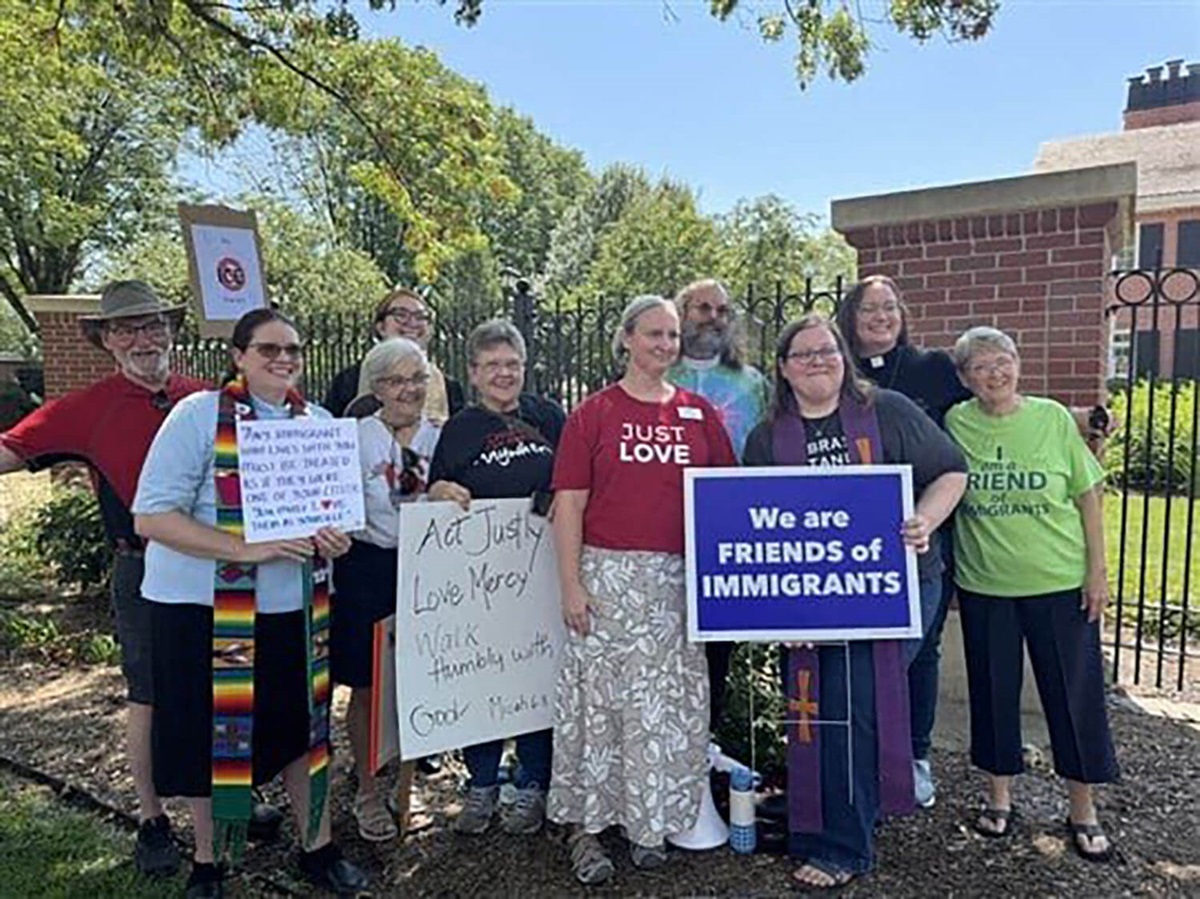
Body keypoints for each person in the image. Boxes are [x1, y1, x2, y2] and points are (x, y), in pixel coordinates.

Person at [132, 309, 369, 899]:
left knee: (302, 733)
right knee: (209, 738)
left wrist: (335, 539)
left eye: (292, 349)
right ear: (238, 355)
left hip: (292, 609)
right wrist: (244, 547)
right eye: (268, 349)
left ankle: (317, 847)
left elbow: (329, 518)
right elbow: (153, 515)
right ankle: (210, 861)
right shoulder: (196, 418)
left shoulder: (315, 423)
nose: (283, 359)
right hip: (199, 609)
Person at [742, 314, 966, 890]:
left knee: (857, 703)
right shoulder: (767, 438)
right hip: (810, 601)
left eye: (828, 352)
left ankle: (846, 846)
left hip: (899, 590)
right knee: (819, 710)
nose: (818, 361)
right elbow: (758, 525)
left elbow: (950, 472)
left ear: (844, 359)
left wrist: (925, 520)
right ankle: (824, 822)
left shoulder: (886, 410)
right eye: (804, 354)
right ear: (784, 369)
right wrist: (778, 616)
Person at [0, 280, 207, 877]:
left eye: (153, 325)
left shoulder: (205, 397)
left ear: (171, 331)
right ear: (107, 341)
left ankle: (220, 798)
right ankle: (151, 819)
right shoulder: (86, 406)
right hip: (141, 568)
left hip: (215, 564)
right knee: (147, 694)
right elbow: (12, 449)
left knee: (223, 683)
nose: (144, 338)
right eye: (127, 328)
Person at [548, 295, 736, 885]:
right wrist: (571, 585)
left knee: (665, 711)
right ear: (626, 338)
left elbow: (726, 502)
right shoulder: (593, 414)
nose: (664, 344)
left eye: (672, 335)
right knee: (598, 709)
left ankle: (648, 822)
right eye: (652, 333)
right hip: (607, 582)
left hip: (678, 587)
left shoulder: (700, 414)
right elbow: (569, 506)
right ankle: (587, 831)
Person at [946, 326, 1119, 863]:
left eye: (1003, 361)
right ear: (964, 378)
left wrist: (1098, 572)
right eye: (980, 366)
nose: (994, 373)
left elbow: (1088, 496)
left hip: (1060, 583)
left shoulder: (1049, 418)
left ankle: (1082, 808)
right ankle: (999, 798)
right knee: (993, 694)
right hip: (986, 585)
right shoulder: (956, 423)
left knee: (1073, 696)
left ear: (1018, 365)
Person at [835, 274, 972, 809]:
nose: (881, 316)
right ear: (851, 316)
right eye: (870, 308)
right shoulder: (835, 373)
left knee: (923, 649)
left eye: (890, 307)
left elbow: (992, 400)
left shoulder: (932, 369)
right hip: (853, 543)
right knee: (861, 650)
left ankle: (914, 754)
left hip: (925, 529)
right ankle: (862, 755)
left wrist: (1077, 420)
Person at [425, 319, 565, 837]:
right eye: (492, 365)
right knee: (480, 678)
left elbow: (573, 480)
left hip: (542, 572)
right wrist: (440, 491)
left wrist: (554, 504)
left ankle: (533, 784)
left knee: (534, 676)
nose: (503, 374)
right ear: (474, 374)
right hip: (478, 582)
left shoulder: (548, 416)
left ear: (524, 368)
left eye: (512, 364)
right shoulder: (459, 428)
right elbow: (439, 487)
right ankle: (480, 784)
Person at [330, 337, 442, 843]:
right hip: (366, 567)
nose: (409, 389)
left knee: (417, 680)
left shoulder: (442, 437)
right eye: (397, 380)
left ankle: (407, 785)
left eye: (417, 378)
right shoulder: (352, 438)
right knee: (368, 684)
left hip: (426, 568)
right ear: (376, 387)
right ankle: (368, 790)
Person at [669, 278, 769, 740]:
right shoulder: (660, 376)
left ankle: (707, 737)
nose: (712, 317)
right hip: (665, 525)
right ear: (681, 313)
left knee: (717, 646)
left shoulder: (752, 383)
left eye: (722, 311)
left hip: (731, 528)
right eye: (701, 308)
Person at [325, 287, 464, 422]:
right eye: (401, 315)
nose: (412, 322)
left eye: (420, 316)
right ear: (381, 327)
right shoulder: (348, 381)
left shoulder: (449, 388)